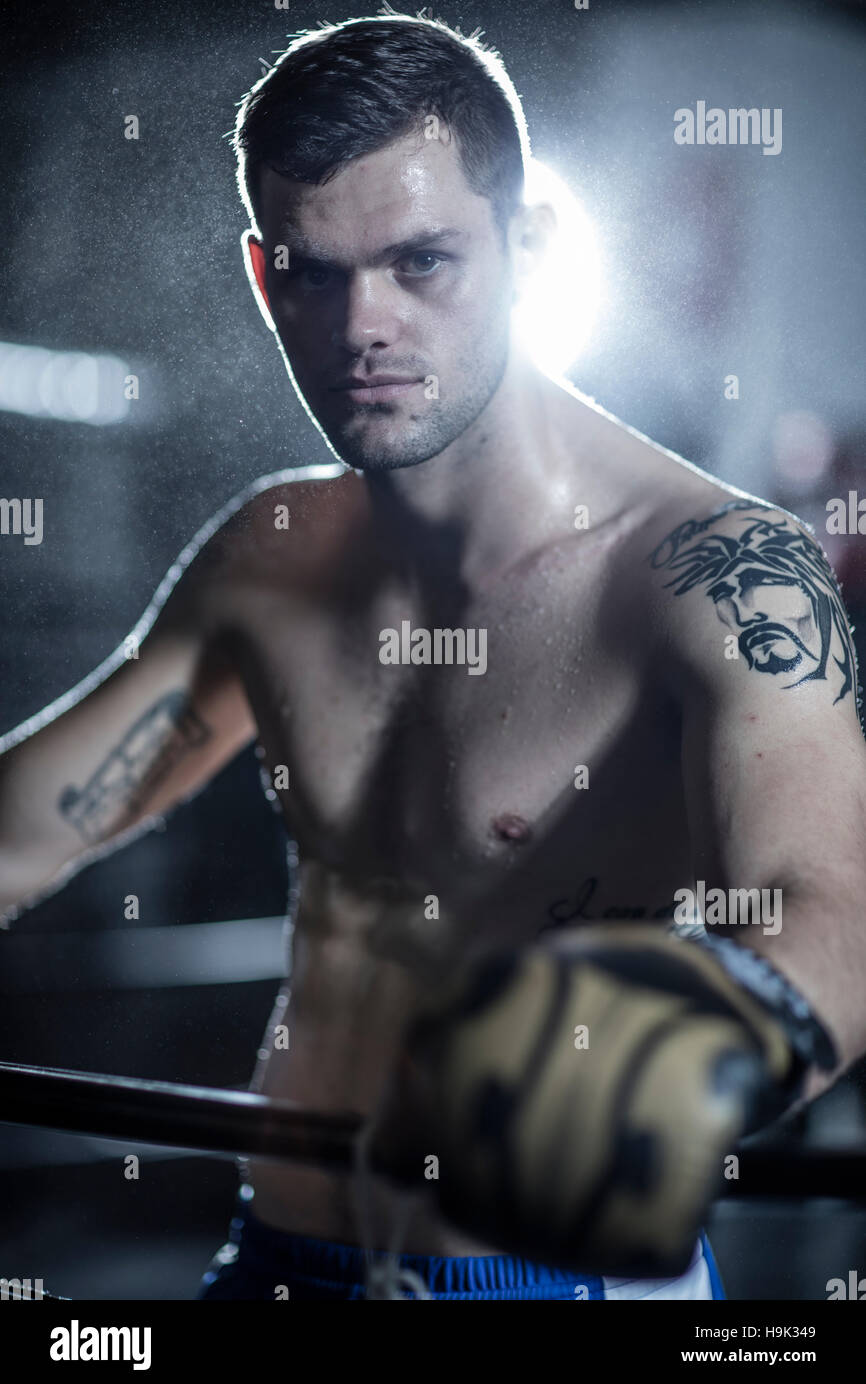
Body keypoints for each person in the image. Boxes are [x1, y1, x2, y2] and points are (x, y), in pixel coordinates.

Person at [2, 13, 865, 1302]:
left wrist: (708, 1035)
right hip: (277, 1263)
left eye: (422, 263)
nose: (364, 325)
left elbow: (833, 906)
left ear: (531, 247)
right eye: (315, 272)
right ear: (262, 275)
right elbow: (29, 827)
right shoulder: (276, 553)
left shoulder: (709, 572)